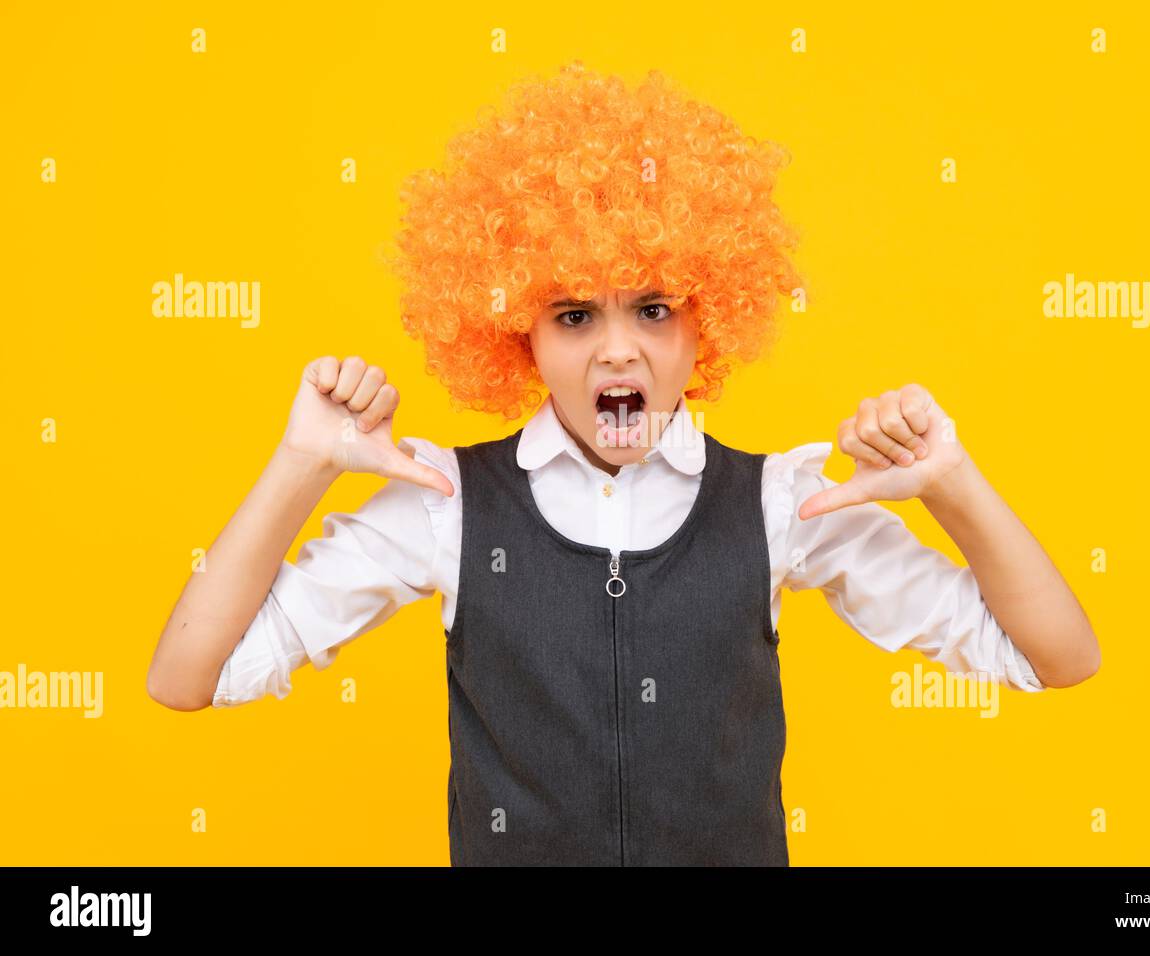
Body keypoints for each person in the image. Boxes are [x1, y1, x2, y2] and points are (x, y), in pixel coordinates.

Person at [147, 61, 1099, 866]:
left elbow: (1056, 655)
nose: (616, 353)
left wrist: (952, 482)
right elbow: (190, 674)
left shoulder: (785, 504)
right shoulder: (446, 506)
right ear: (515, 336)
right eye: (573, 315)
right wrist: (301, 464)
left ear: (707, 320)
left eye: (652, 309)